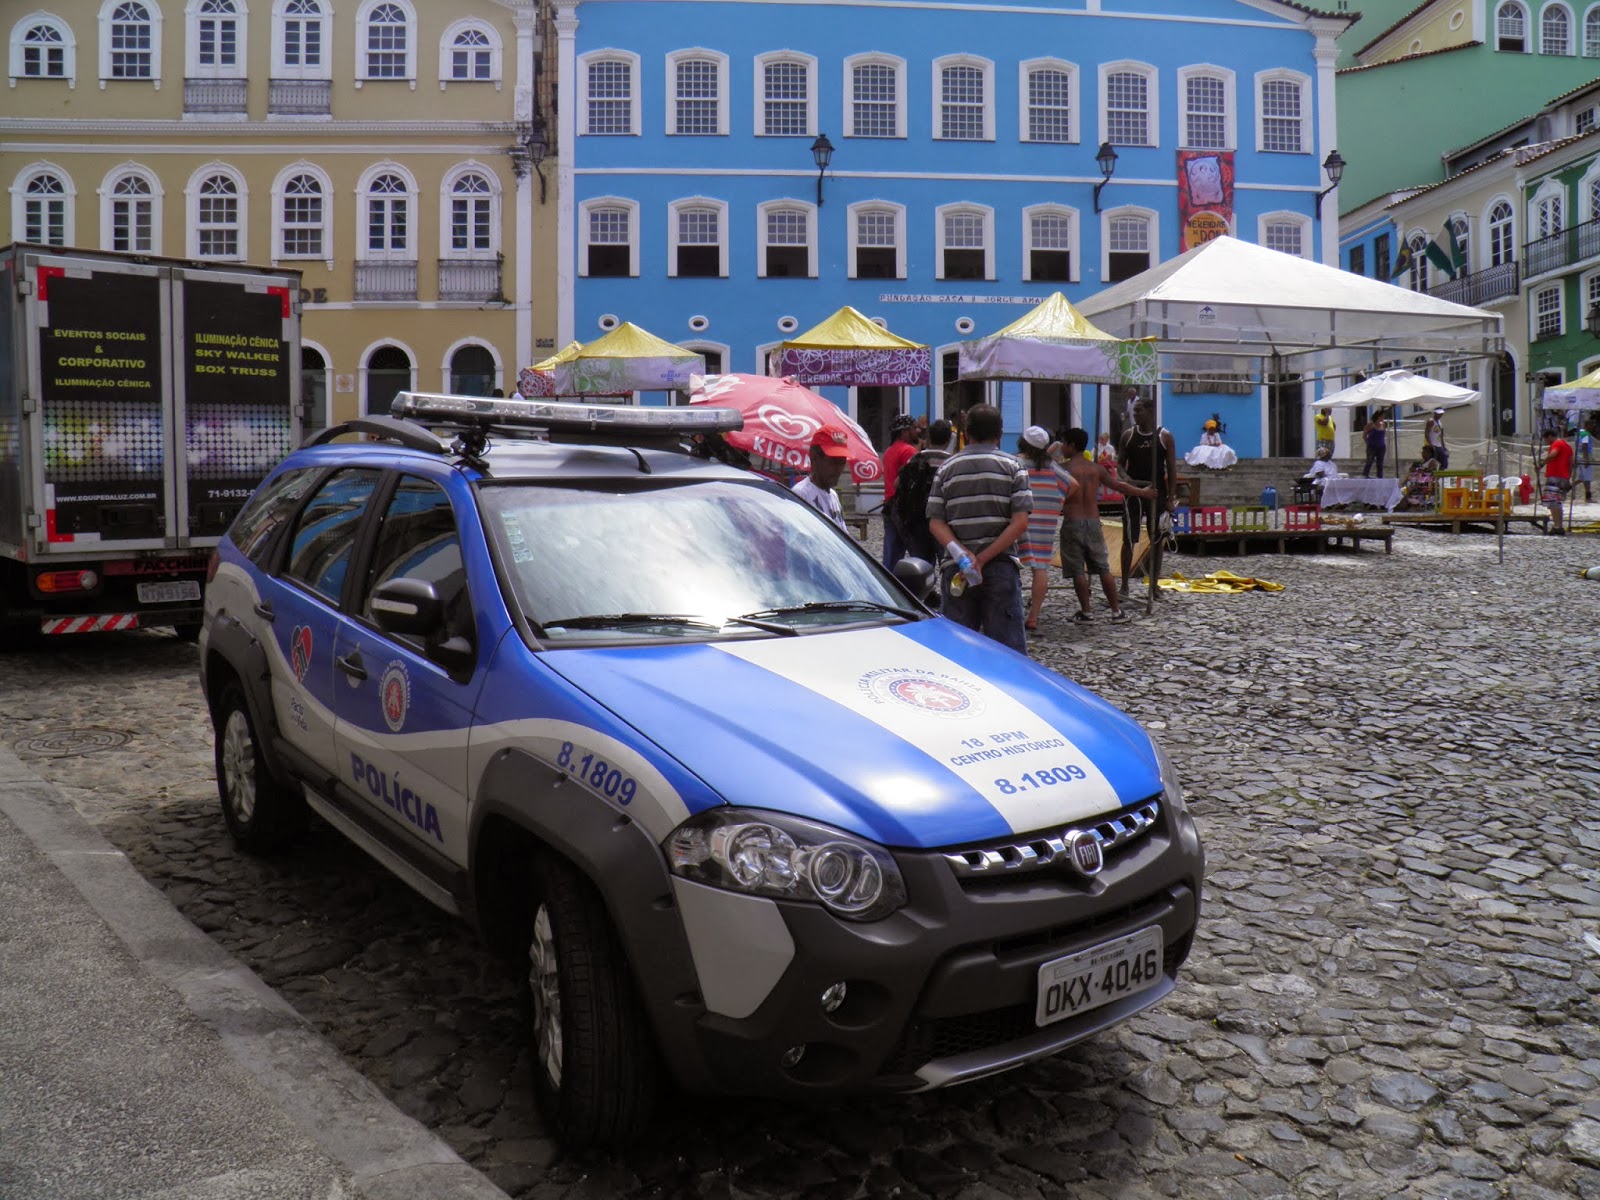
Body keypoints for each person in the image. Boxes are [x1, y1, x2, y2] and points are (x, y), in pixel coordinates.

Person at [926, 404, 1032, 652]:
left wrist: (964, 556)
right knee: (1008, 652)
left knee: (958, 652)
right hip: (1001, 567)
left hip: (957, 571)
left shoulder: (946, 469)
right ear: (1000, 432)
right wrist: (982, 559)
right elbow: (1020, 522)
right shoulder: (1014, 467)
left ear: (966, 431)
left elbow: (935, 522)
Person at [1050, 428, 1153, 625]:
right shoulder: (1096, 469)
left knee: (1077, 570)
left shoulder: (1064, 469)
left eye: (1063, 443)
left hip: (1073, 521)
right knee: (1103, 568)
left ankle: (1087, 611)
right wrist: (1142, 493)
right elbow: (1119, 486)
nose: (1061, 447)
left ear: (1071, 445)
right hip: (1094, 522)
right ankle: (1116, 611)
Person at [1016, 426, 1080, 632]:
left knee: (1010, 565)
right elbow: (1074, 486)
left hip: (1018, 521)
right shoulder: (1052, 468)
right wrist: (1058, 501)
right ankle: (1033, 616)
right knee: (1040, 568)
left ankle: (1013, 610)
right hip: (1044, 522)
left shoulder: (1017, 464)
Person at [1116, 396, 1177, 599]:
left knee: (1157, 539)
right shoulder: (1128, 436)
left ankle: (1154, 584)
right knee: (1128, 539)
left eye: (1139, 411)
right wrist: (1126, 479)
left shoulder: (1165, 436)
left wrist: (1171, 498)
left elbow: (1172, 469)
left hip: (1157, 492)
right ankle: (1124, 585)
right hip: (1134, 492)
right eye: (1134, 412)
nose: (1135, 415)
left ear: (1151, 410)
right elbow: (1119, 465)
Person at [890, 418, 954, 566]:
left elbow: (897, 484)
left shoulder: (916, 458)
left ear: (929, 436)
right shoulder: (951, 462)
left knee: (921, 564)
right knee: (946, 563)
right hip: (942, 519)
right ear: (949, 439)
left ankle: (924, 588)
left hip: (916, 518)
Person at [878, 413, 920, 569]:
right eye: (914, 428)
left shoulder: (889, 451)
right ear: (904, 432)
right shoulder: (908, 452)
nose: (918, 431)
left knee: (891, 557)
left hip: (888, 505)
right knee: (919, 552)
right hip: (903, 508)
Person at [792, 427, 850, 530]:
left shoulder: (833, 496)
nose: (838, 469)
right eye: (833, 462)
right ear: (814, 457)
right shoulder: (801, 495)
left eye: (842, 462)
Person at [1539, 426, 1574, 536]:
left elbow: (1553, 455)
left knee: (1553, 502)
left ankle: (1557, 526)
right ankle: (1559, 525)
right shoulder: (1567, 446)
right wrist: (1568, 477)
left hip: (1555, 476)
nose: (1546, 442)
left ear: (1550, 437)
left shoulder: (1557, 444)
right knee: (1558, 502)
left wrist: (1541, 464)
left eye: (1546, 439)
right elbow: (1571, 463)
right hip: (1564, 477)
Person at [1574, 418, 1595, 504]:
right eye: (1591, 425)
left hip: (1579, 456)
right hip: (1584, 457)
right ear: (1587, 425)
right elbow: (1584, 446)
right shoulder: (1585, 434)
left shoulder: (1579, 433)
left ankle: (1568, 487)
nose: (1592, 427)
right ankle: (1588, 497)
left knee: (1582, 478)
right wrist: (1587, 459)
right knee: (1587, 478)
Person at [1362, 414, 1388, 479]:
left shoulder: (1384, 424)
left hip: (1381, 447)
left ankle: (1380, 476)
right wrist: (1368, 443)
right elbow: (1364, 436)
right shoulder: (1370, 425)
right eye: (1381, 416)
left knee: (1380, 463)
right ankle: (1365, 475)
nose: (1383, 417)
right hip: (1372, 446)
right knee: (1369, 461)